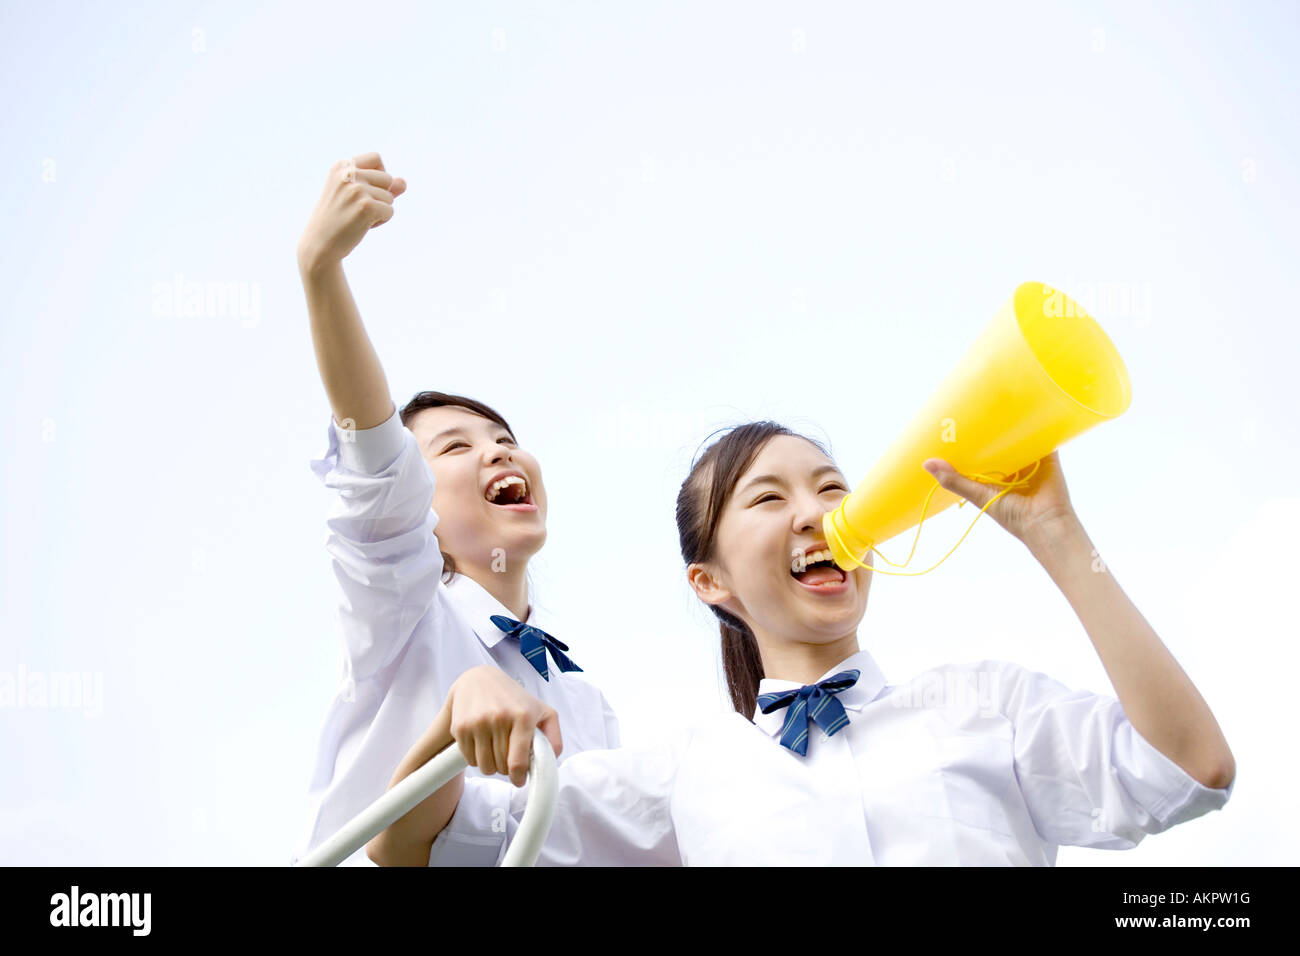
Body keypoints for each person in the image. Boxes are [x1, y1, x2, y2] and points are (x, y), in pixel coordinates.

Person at [367, 421, 1234, 866]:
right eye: (769, 497)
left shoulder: (985, 707)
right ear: (710, 583)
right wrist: (455, 716)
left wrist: (1055, 534)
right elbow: (415, 847)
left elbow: (1192, 768)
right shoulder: (679, 777)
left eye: (831, 489)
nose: (817, 512)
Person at [290, 152, 617, 866]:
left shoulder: (585, 700)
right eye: (454, 446)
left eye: (505, 440)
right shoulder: (401, 608)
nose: (498, 453)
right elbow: (376, 457)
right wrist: (321, 270)